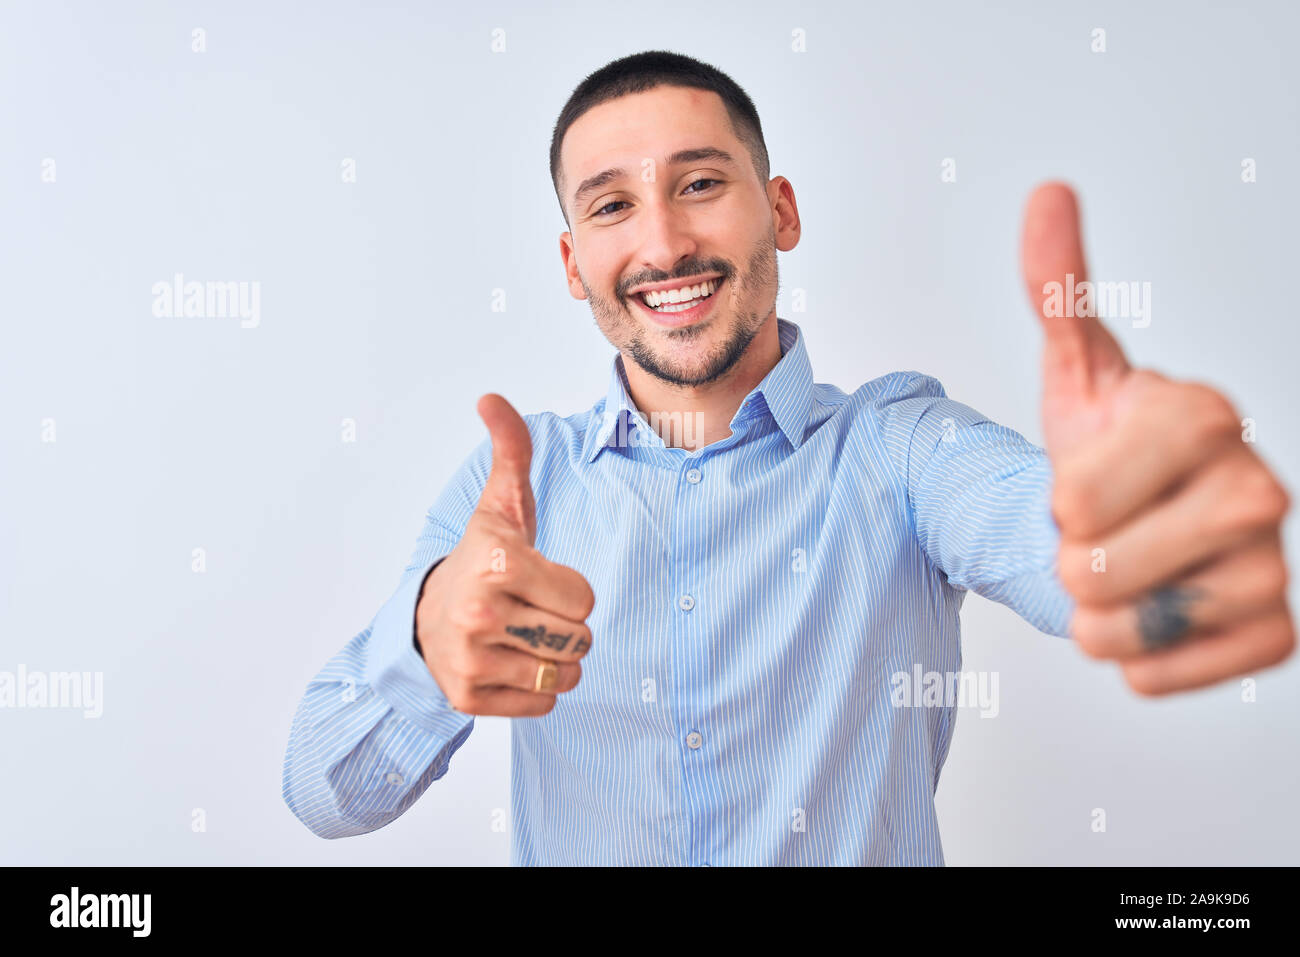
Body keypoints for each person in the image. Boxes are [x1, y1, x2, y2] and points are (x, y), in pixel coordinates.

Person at [281, 50, 1294, 865]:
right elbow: (324, 792)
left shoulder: (899, 447)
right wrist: (423, 643)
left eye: (700, 183)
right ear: (571, 262)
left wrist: (1152, 550)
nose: (666, 242)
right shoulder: (512, 491)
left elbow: (1056, 538)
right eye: (610, 206)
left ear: (783, 211)